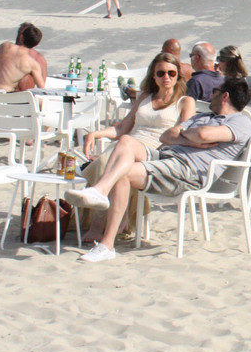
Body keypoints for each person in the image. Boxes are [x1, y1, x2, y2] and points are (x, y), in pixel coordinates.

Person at [67, 77, 251, 263]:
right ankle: (101, 190)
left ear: (225, 96)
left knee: (124, 173)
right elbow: (166, 136)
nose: (211, 95)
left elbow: (203, 134)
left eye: (215, 91)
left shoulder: (240, 122)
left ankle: (106, 244)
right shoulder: (203, 117)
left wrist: (186, 135)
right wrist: (191, 140)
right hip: (167, 157)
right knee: (126, 142)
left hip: (188, 171)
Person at [78, 51, 197, 244]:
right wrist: (95, 134)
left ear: (178, 76)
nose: (166, 77)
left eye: (171, 73)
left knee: (110, 159)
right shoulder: (145, 97)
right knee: (113, 153)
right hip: (127, 146)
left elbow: (182, 135)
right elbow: (123, 128)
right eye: (161, 73)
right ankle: (111, 222)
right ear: (153, 76)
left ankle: (98, 227)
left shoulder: (185, 102)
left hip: (154, 151)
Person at [0, 23, 47, 92]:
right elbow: (42, 89)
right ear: (37, 43)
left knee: (25, 79)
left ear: (21, 37)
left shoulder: (5, 46)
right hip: (12, 98)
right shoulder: (33, 64)